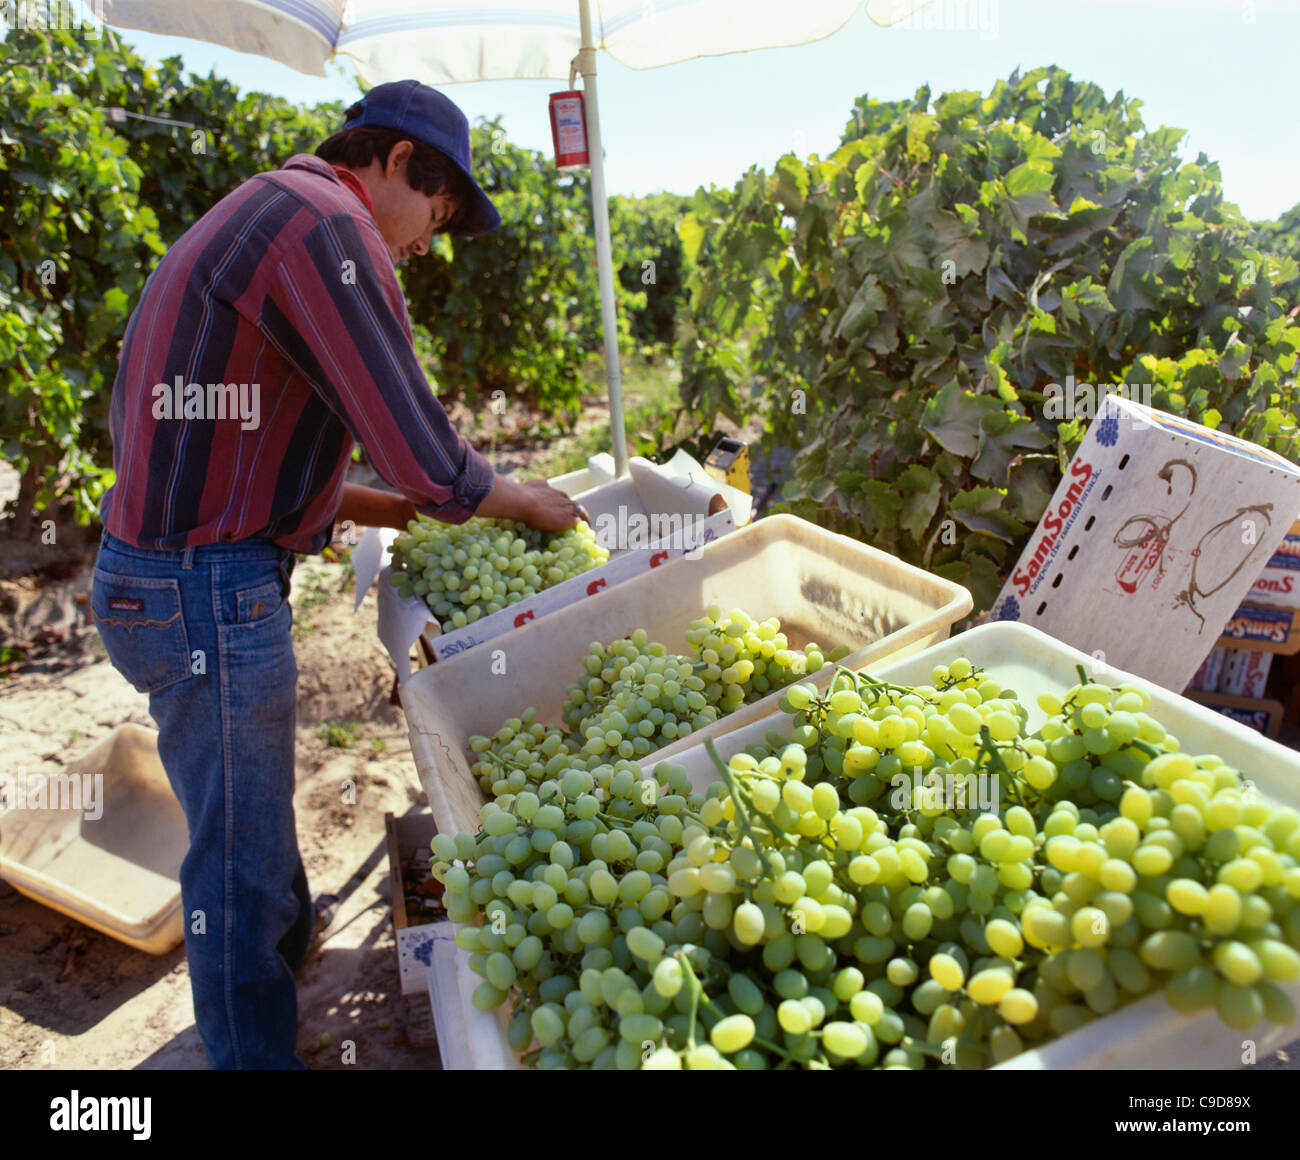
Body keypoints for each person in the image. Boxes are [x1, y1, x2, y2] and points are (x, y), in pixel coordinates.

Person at [90, 80, 582, 1069]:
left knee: (246, 812)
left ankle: (277, 943)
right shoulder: (327, 226)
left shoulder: (270, 209)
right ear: (395, 161)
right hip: (201, 589)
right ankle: (252, 1051)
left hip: (178, 573)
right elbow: (420, 450)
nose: (426, 245)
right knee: (233, 857)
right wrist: (517, 497)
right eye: (435, 215)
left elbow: (248, 450)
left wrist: (375, 504)